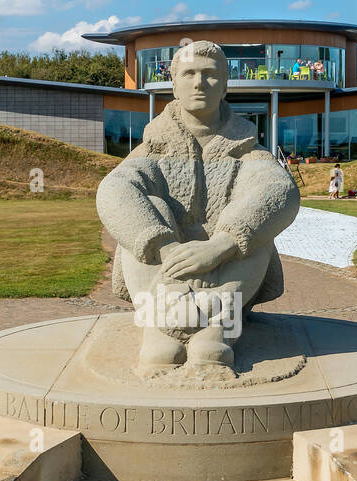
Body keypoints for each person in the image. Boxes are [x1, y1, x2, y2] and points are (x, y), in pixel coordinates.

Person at [95, 40, 299, 373]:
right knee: (144, 209)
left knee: (253, 222)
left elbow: (278, 190)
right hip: (164, 275)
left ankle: (217, 329)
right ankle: (160, 326)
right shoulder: (153, 147)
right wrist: (167, 248)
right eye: (189, 74)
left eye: (210, 74)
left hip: (228, 273)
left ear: (225, 85)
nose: (199, 83)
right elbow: (115, 189)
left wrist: (222, 245)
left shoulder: (246, 148)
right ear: (174, 84)